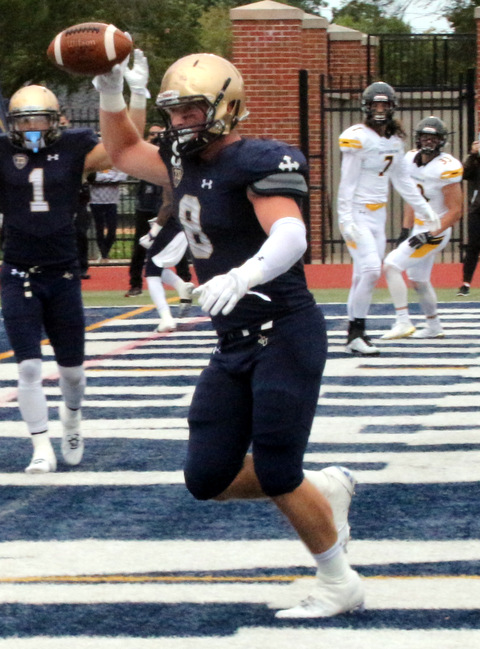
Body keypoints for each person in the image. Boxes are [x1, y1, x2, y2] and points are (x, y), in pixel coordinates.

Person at [97, 51, 363, 618]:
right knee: (207, 476)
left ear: (226, 106)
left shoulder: (260, 159)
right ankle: (325, 487)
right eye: (173, 111)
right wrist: (110, 91)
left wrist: (245, 274)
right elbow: (121, 151)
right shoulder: (177, 156)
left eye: (192, 109)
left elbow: (290, 234)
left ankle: (340, 581)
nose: (180, 121)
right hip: (234, 341)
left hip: (284, 329)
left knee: (275, 470)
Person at [0, 51, 138, 472]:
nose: (31, 128)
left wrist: (131, 96)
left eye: (39, 120)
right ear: (12, 123)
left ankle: (71, 416)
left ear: (56, 120)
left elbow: (128, 147)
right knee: (29, 366)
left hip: (64, 272)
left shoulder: (76, 147)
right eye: (23, 121)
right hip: (18, 271)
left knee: (72, 373)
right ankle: (40, 446)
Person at [337, 82, 439, 356]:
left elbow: (402, 180)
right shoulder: (357, 137)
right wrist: (344, 218)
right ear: (366, 107)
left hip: (377, 216)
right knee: (371, 270)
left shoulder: (394, 141)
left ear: (392, 107)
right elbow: (346, 183)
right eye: (375, 105)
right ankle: (356, 333)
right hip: (357, 213)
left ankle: (353, 336)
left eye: (384, 105)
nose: (380, 110)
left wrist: (423, 208)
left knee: (361, 275)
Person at [379, 116, 463, 339]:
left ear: (442, 141)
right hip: (419, 228)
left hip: (436, 229)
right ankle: (434, 326)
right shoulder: (409, 160)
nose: (428, 141)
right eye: (425, 136)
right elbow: (413, 198)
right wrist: (406, 229)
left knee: (391, 265)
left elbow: (456, 210)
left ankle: (403, 321)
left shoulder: (446, 167)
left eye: (433, 138)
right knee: (418, 280)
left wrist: (430, 234)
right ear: (417, 138)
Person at [138, 194, 195, 332]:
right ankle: (182, 287)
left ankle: (166, 318)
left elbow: (168, 204)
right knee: (155, 268)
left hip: (172, 230)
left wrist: (153, 233)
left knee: (151, 274)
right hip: (180, 228)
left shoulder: (170, 175)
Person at [126, 126, 166, 297]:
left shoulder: (169, 155)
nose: (156, 138)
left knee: (175, 244)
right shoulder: (145, 154)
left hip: (165, 208)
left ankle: (185, 280)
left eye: (159, 134)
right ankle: (135, 283)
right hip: (146, 207)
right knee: (140, 247)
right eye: (152, 134)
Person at [87, 165, 126, 261]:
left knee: (112, 230)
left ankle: (105, 252)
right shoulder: (96, 163)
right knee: (99, 229)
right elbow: (92, 177)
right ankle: (104, 255)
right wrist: (111, 177)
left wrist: (104, 178)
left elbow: (123, 176)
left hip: (112, 201)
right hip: (96, 201)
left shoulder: (115, 163)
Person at [458, 139, 480, 297]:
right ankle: (465, 283)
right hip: (477, 208)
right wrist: (473, 155)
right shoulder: (475, 160)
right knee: (473, 246)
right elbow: (465, 174)